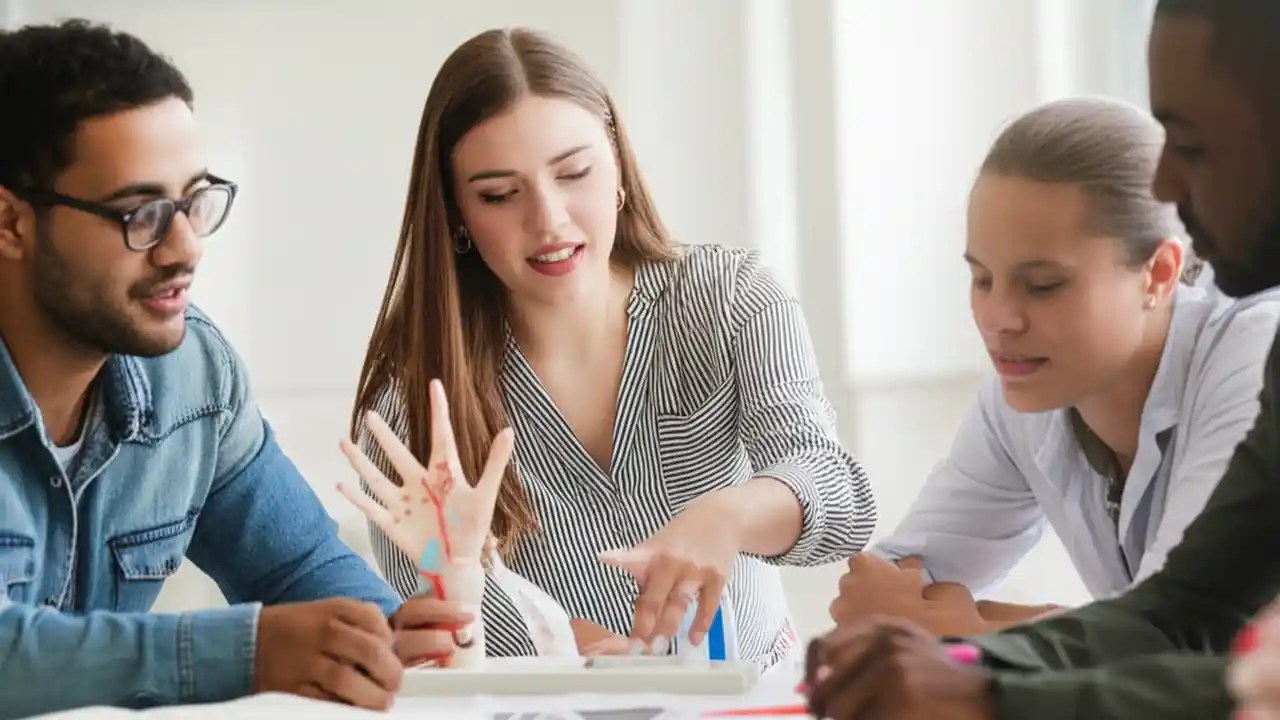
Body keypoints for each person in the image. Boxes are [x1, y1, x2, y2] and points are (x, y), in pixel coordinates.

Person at [803, 1, 1280, 718]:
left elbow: (1215, 662)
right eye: (981, 277)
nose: (1166, 189)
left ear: (1157, 275)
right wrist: (966, 655)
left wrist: (962, 643)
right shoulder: (1024, 386)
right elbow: (1180, 612)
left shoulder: (1255, 344)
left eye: (1194, 146)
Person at [347, 26, 875, 667]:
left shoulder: (733, 297)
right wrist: (585, 649)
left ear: (619, 168)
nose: (549, 220)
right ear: (456, 212)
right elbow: (443, 612)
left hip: (753, 699)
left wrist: (729, 515)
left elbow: (841, 501)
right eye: (499, 195)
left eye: (574, 173)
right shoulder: (410, 406)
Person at [0, 20, 466, 716]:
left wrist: (387, 639)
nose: (185, 247)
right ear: (10, 224)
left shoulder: (194, 377)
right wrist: (250, 652)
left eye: (193, 201)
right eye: (141, 214)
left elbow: (301, 567)